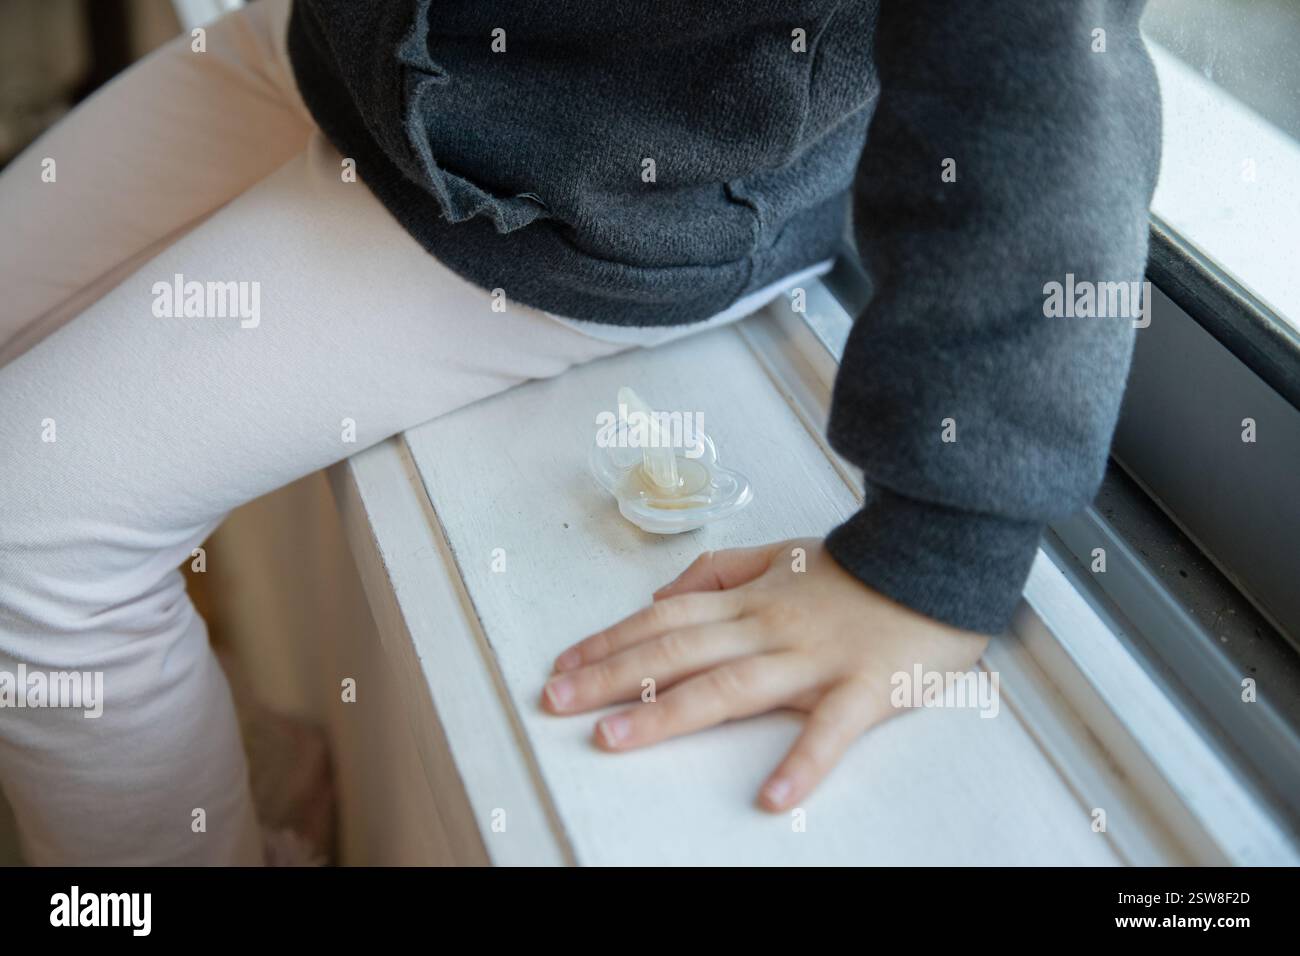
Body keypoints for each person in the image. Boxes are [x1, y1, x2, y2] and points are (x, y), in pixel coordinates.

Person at [0, 0, 1160, 864]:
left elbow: (1044, 51)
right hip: (361, 50)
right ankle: (227, 787)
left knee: (23, 546)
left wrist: (937, 553)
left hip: (566, 188)